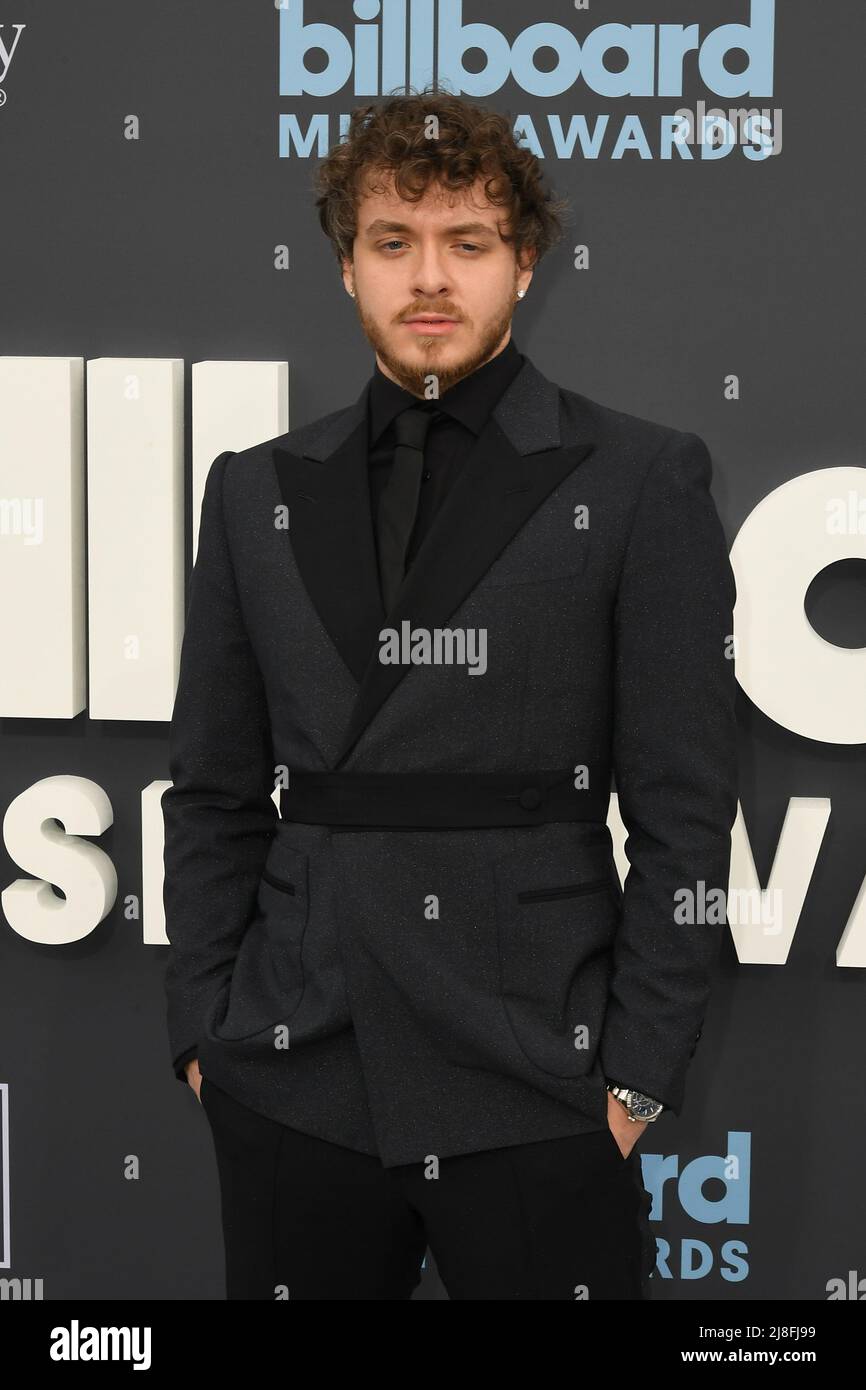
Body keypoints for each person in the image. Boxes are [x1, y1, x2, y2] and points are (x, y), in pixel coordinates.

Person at [162, 88, 738, 1300]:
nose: (430, 277)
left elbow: (686, 812)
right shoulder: (254, 489)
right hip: (294, 1065)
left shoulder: (637, 478)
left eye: (465, 243)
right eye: (393, 241)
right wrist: (206, 1036)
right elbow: (212, 787)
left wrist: (633, 1078)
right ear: (345, 265)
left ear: (521, 263)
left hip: (534, 1071)